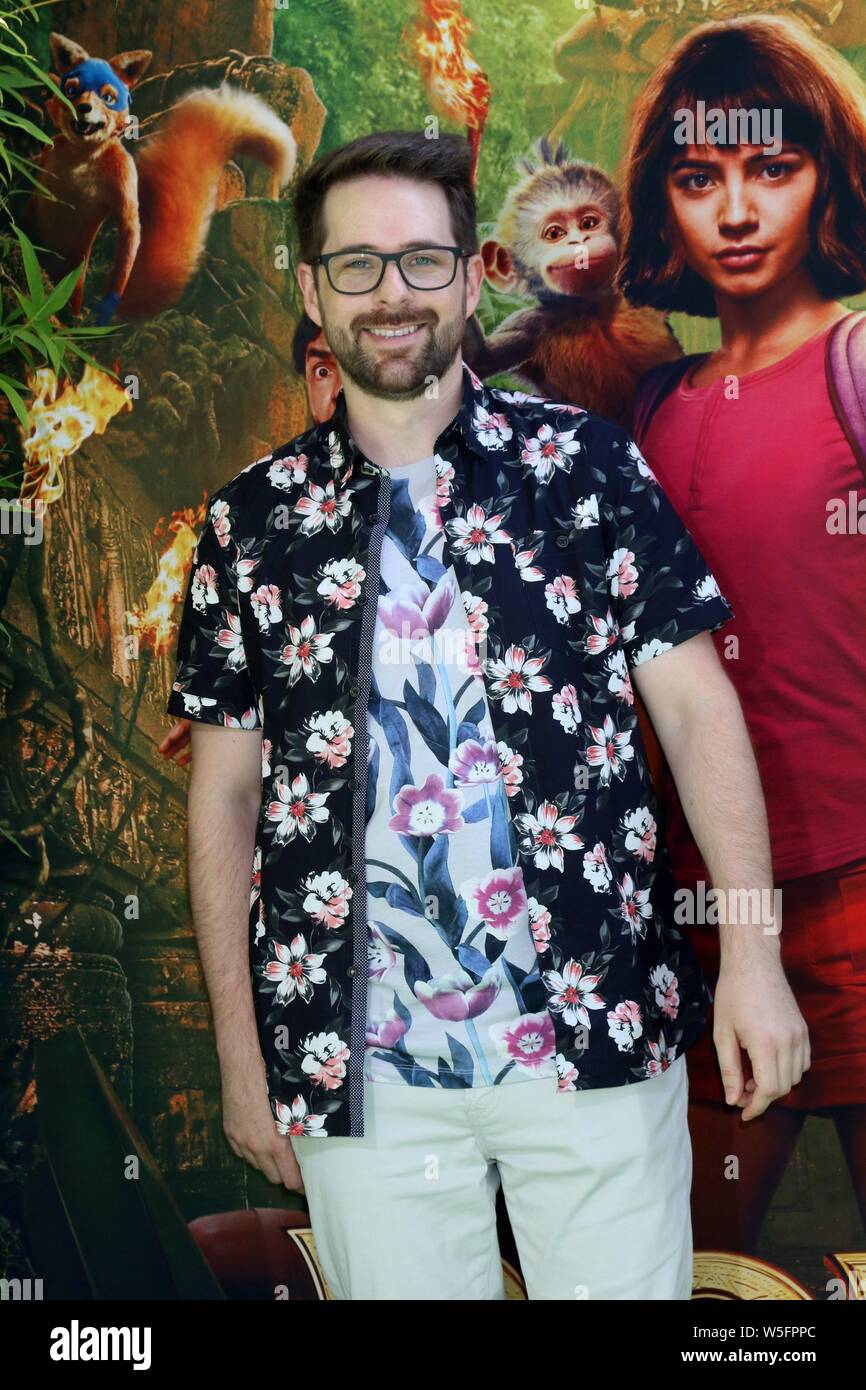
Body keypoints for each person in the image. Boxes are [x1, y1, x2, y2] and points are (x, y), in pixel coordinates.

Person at [165, 129, 808, 1300]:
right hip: (356, 1067)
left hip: (597, 1030)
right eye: (355, 265)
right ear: (312, 288)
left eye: (421, 259)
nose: (391, 292)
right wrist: (234, 1045)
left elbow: (698, 713)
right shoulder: (249, 526)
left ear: (471, 276)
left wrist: (752, 959)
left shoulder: (590, 469)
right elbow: (224, 792)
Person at [619, 15, 866, 1250]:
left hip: (864, 876)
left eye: (772, 168)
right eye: (696, 174)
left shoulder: (859, 364)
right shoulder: (647, 408)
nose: (732, 207)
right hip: (705, 909)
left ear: (830, 174)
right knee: (687, 1269)